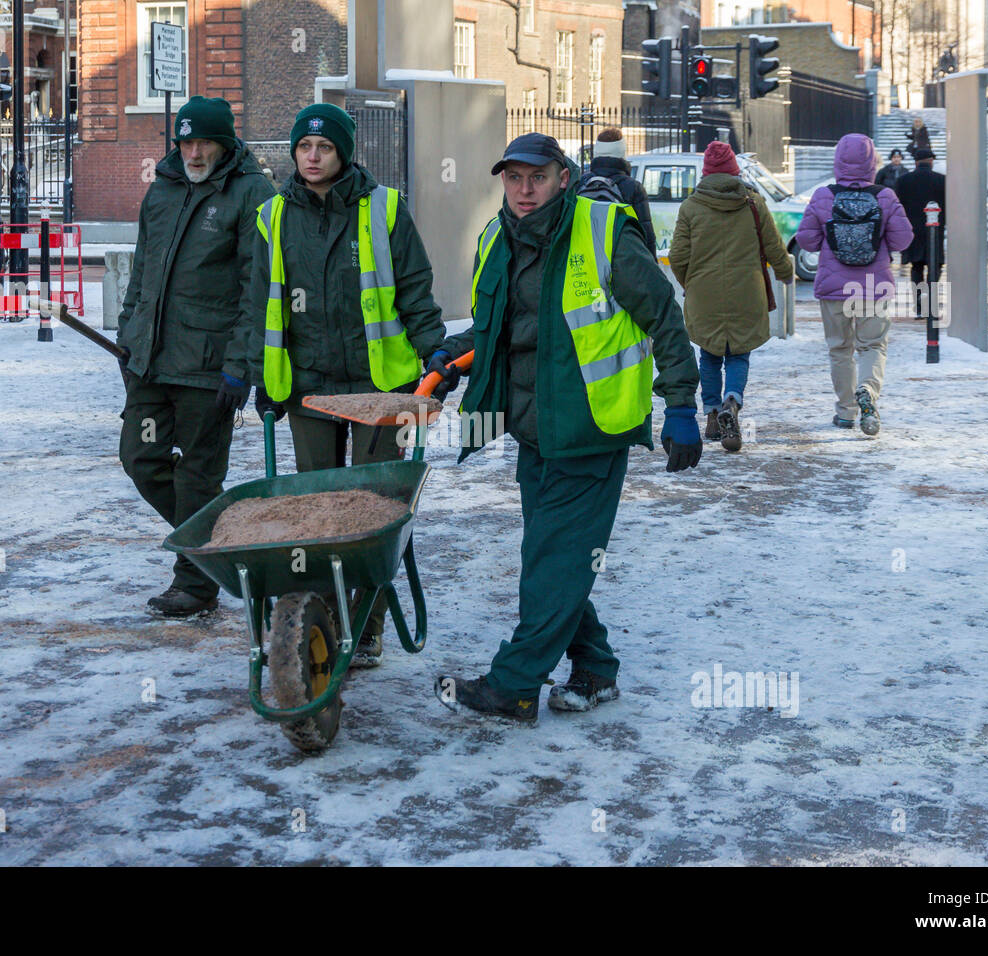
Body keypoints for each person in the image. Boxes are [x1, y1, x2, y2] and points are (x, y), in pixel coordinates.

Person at [431, 133, 701, 722]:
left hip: (592, 428)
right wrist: (450, 360)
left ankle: (515, 684)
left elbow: (664, 315)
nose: (525, 190)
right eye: (513, 178)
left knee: (552, 561)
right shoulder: (496, 240)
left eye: (538, 177)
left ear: (562, 177)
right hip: (533, 430)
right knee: (555, 556)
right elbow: (492, 329)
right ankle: (596, 669)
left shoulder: (605, 231)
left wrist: (681, 402)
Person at [236, 103, 447, 666]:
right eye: (303, 147)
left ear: (344, 153)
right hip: (307, 386)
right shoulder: (274, 216)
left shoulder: (384, 209)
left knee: (373, 509)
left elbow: (415, 291)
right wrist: (263, 376)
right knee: (321, 509)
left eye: (324, 148)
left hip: (382, 385)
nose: (311, 157)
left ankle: (369, 623)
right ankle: (325, 621)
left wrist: (435, 358)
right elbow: (261, 305)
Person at [116, 96, 275, 618]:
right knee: (140, 460)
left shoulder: (251, 193)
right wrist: (128, 334)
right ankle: (223, 540)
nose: (194, 151)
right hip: (150, 360)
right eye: (186, 141)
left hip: (210, 366)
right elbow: (141, 271)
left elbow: (261, 288)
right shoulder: (162, 189)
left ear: (225, 143)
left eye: (204, 141)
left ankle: (195, 581)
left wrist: (241, 363)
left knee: (198, 474)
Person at [669, 141, 793, 452]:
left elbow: (678, 256)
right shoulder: (752, 202)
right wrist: (786, 272)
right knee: (738, 353)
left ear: (705, 172)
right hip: (746, 292)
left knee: (709, 355)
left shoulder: (691, 207)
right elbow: (774, 245)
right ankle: (732, 401)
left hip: (703, 292)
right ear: (735, 172)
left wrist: (690, 283)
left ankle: (711, 413)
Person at [795, 134, 913, 437]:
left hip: (834, 289)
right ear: (872, 163)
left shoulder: (824, 196)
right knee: (873, 345)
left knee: (840, 349)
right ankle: (868, 393)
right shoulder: (885, 196)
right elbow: (903, 239)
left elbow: (806, 239)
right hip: (874, 287)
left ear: (837, 161)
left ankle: (846, 412)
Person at [576, 127, 656, 252]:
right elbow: (646, 233)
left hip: (586, 256)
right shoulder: (633, 187)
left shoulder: (581, 182)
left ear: (597, 152)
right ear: (622, 153)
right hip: (620, 256)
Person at [895, 147, 946, 323]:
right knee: (935, 269)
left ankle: (919, 308)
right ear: (931, 161)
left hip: (912, 232)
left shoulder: (903, 181)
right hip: (935, 231)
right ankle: (930, 307)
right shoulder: (942, 180)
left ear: (916, 162)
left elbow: (898, 208)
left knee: (916, 268)